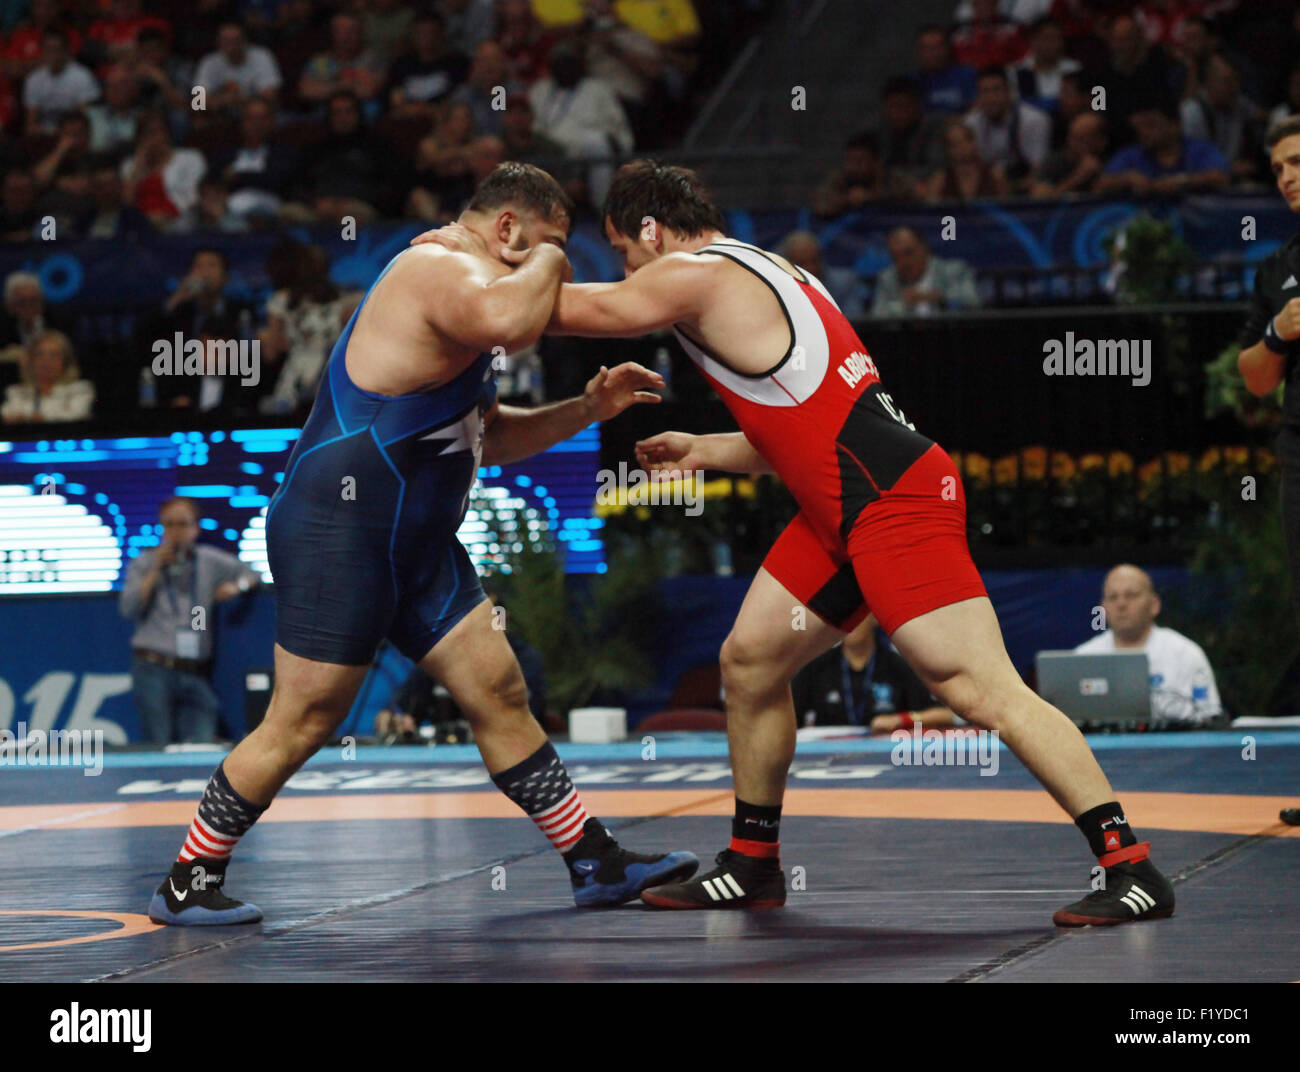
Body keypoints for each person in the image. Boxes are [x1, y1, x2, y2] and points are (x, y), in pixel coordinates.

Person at [417, 159, 1177, 924]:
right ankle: (752, 862)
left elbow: (574, 311)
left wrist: (474, 267)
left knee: (981, 689)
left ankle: (1132, 866)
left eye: (623, 249)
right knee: (750, 663)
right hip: (845, 502)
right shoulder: (770, 268)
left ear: (651, 231)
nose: (627, 267)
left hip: (889, 498)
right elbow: (806, 425)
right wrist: (704, 448)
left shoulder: (701, 274)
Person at [147, 162, 697, 926]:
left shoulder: (472, 299)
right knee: (305, 719)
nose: (552, 261)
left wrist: (587, 406)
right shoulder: (432, 268)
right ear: (506, 228)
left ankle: (593, 862)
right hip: (338, 530)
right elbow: (517, 317)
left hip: (415, 542)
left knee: (497, 690)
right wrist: (554, 255)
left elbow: (486, 438)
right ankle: (188, 877)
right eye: (543, 242)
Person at [120, 496, 261, 745]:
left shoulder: (208, 560)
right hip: (153, 665)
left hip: (193, 667)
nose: (176, 532)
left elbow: (252, 572)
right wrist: (154, 573)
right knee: (158, 743)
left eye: (182, 524)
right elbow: (128, 608)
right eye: (169, 524)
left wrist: (236, 586)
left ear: (196, 528)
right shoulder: (145, 562)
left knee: (203, 740)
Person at [1073, 564, 1223, 726]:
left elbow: (1211, 721)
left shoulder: (1185, 654)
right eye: (1113, 597)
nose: (1121, 604)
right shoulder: (1084, 657)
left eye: (1131, 595)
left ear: (1154, 605)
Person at [792, 614, 954, 731]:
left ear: (874, 617)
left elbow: (943, 715)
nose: (851, 624)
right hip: (826, 756)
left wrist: (901, 720)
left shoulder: (896, 665)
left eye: (858, 616)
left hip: (885, 754)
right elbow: (789, 717)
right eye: (845, 617)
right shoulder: (817, 666)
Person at [1097, 97, 1229, 197]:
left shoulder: (1200, 150)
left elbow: (1220, 177)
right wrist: (1126, 179)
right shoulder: (1131, 154)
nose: (1144, 132)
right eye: (1140, 127)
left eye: (1150, 125)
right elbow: (1101, 185)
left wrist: (1182, 182)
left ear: (1175, 125)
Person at [871, 225, 980, 317]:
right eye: (896, 257)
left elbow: (972, 302)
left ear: (924, 248)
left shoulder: (954, 270)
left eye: (908, 253)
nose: (903, 262)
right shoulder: (887, 279)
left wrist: (936, 297)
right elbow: (877, 314)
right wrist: (901, 305)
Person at [0, 329, 93, 423]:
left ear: (66, 361)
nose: (46, 361)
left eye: (54, 355)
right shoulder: (16, 392)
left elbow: (76, 414)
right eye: (39, 354)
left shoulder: (80, 389)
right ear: (30, 361)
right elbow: (7, 414)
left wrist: (37, 418)